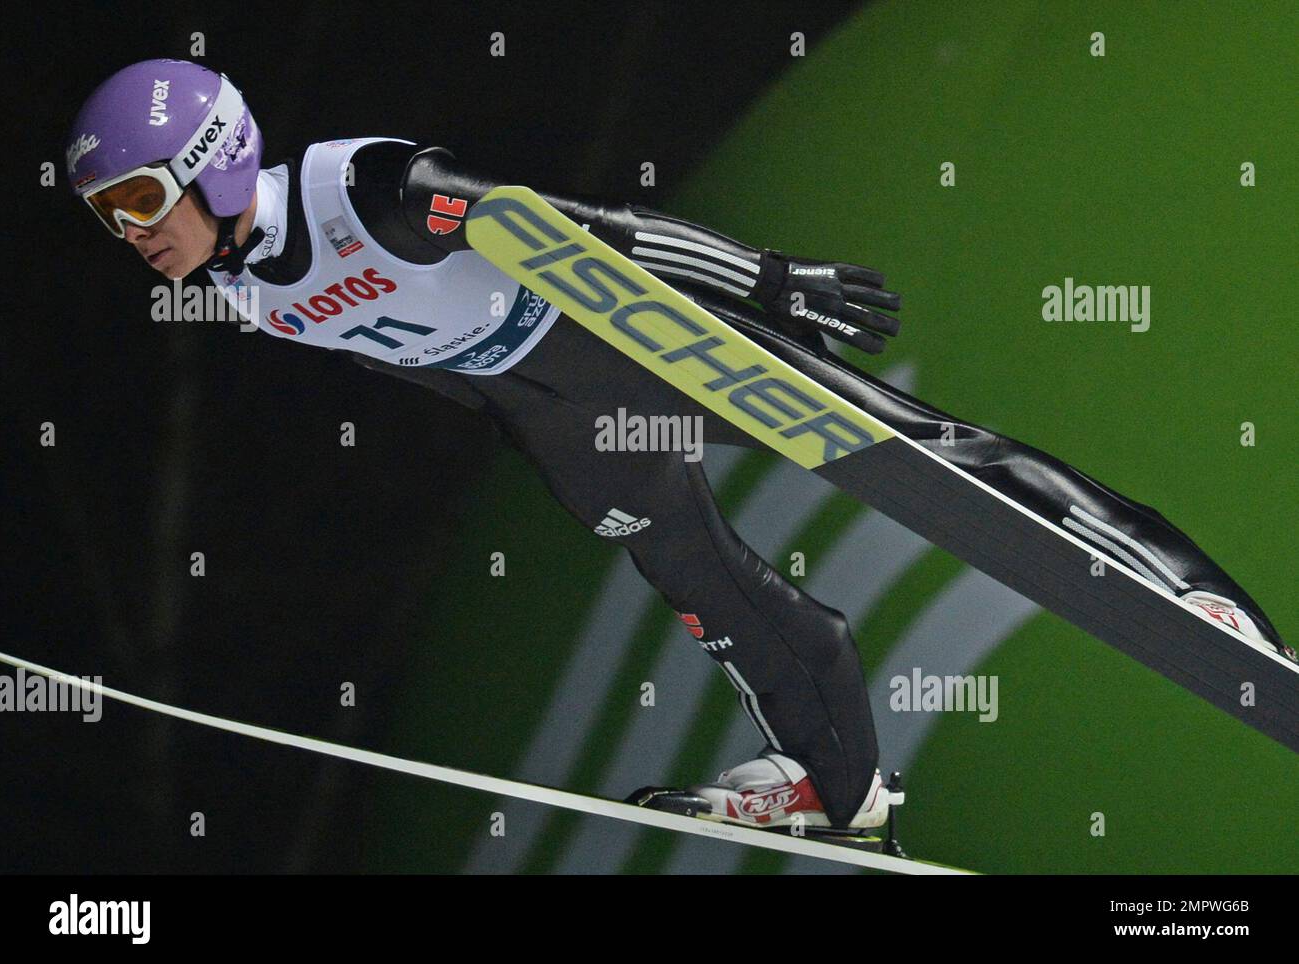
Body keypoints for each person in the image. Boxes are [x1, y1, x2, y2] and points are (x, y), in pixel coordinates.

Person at [66, 58, 1290, 838]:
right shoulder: (239, 291)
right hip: (547, 405)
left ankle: (1191, 596)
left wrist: (765, 280)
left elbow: (578, 229)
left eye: (136, 202)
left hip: (618, 336)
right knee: (703, 582)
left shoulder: (368, 189)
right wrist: (519, 422)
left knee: (913, 448)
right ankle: (838, 785)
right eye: (107, 217)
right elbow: (403, 351)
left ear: (213, 163)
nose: (130, 235)